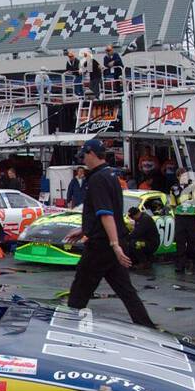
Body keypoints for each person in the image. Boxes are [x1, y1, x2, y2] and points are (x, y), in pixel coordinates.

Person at [66, 139, 156, 328]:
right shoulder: (111, 176)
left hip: (101, 245)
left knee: (80, 287)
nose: (83, 160)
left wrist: (114, 245)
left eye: (84, 156)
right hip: (111, 241)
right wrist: (85, 229)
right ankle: (147, 326)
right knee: (126, 290)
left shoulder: (98, 179)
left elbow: (106, 214)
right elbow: (110, 213)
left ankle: (68, 325)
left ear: (91, 154)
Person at [173, 181, 195, 274]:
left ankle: (194, 263)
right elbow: (172, 203)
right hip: (180, 217)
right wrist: (174, 214)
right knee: (180, 242)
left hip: (192, 217)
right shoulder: (174, 188)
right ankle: (180, 265)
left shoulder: (194, 188)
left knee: (194, 242)